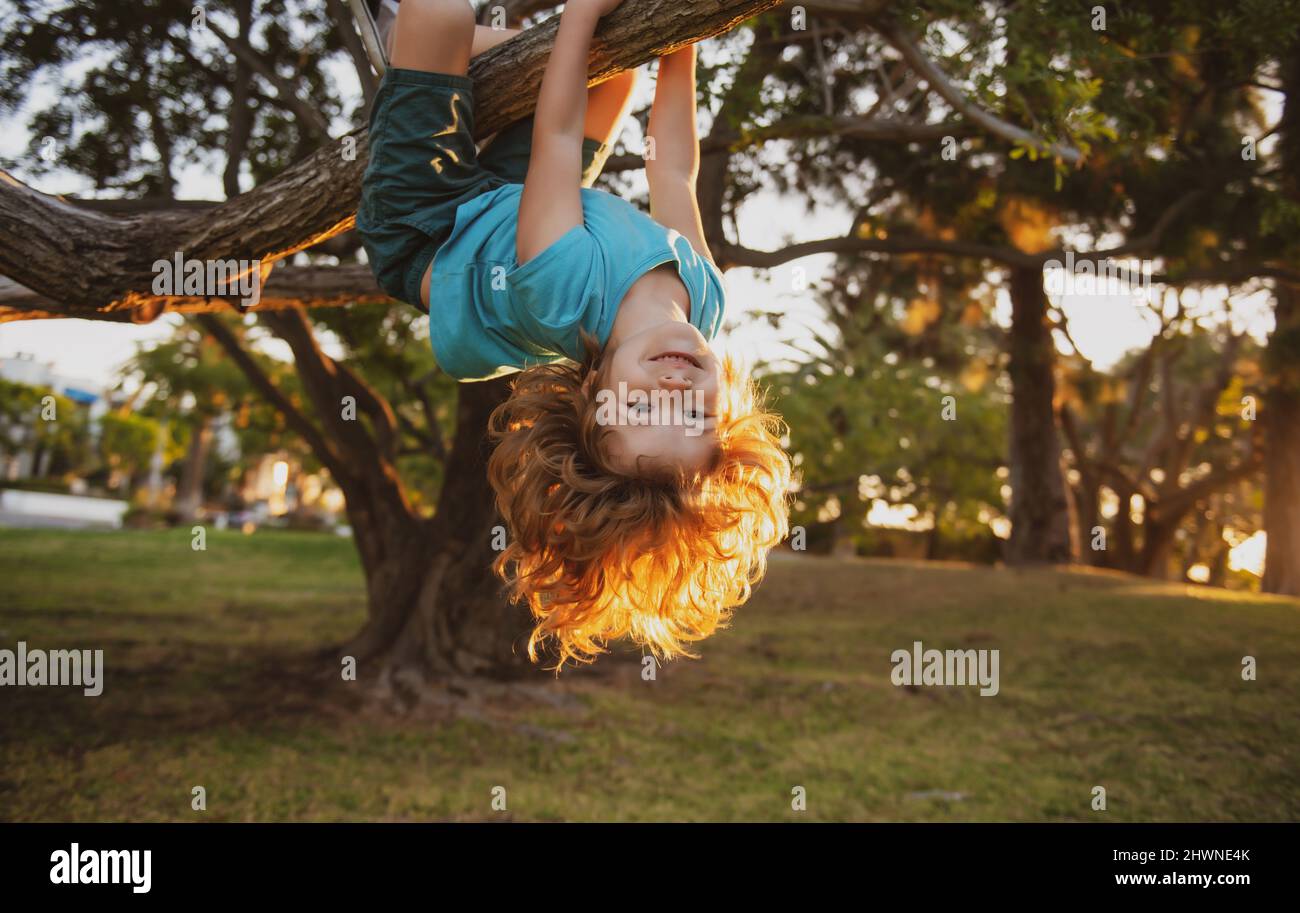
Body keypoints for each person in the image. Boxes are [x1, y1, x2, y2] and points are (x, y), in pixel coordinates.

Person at [357, 0, 791, 668]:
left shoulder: (563, 292)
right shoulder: (703, 295)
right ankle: (443, 66)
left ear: (595, 394)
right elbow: (672, 169)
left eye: (645, 407)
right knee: (612, 75)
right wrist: (684, 39)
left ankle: (406, 45)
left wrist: (581, 14)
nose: (676, 385)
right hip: (513, 201)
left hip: (429, 225)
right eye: (695, 412)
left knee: (439, 14)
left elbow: (557, 141)